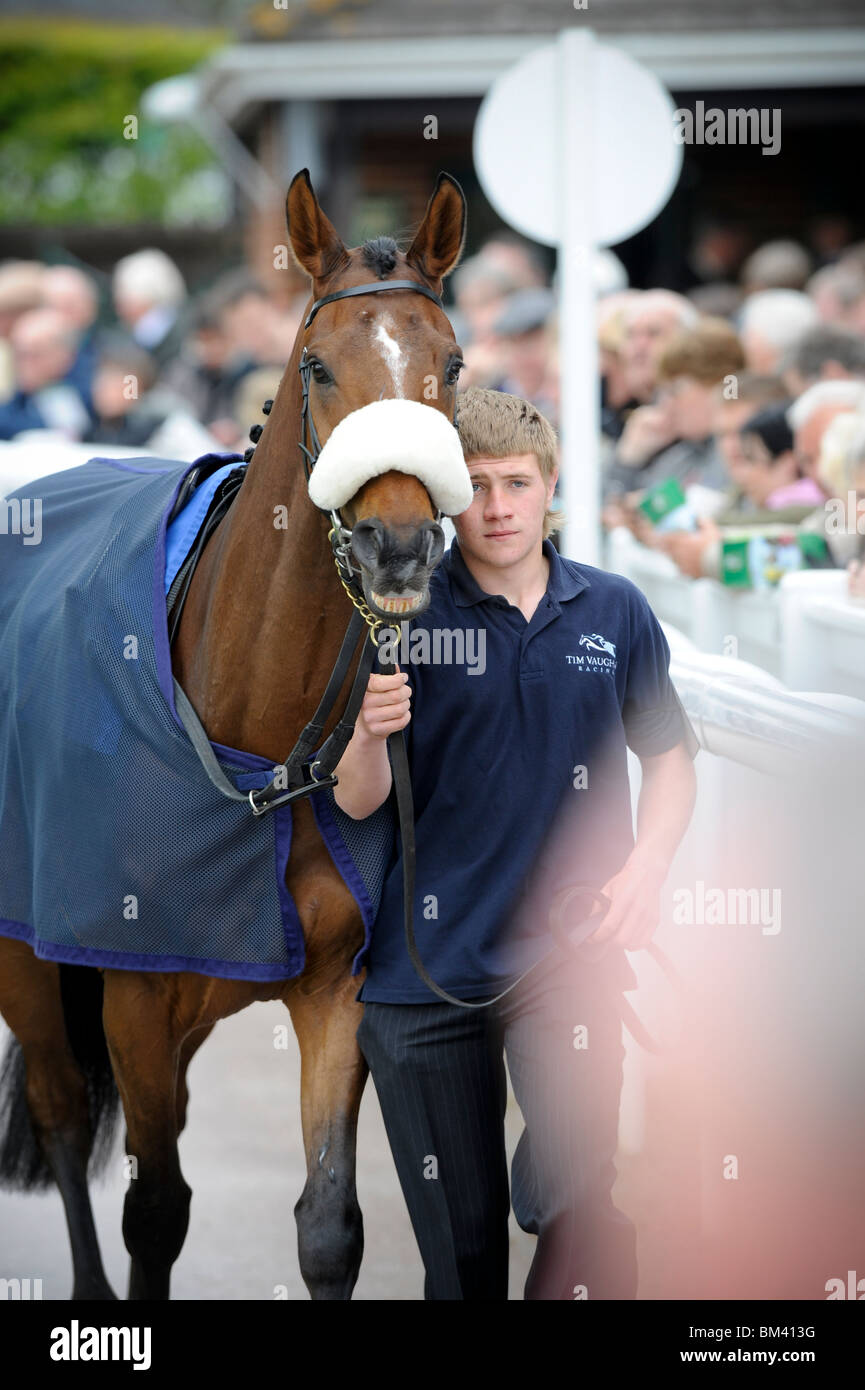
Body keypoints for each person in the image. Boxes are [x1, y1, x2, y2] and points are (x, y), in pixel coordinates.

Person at [333, 387, 699, 1300]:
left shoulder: (613, 611)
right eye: (481, 487)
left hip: (568, 959)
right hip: (423, 975)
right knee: (461, 1263)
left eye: (518, 484)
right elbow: (352, 803)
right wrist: (369, 735)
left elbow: (671, 763)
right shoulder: (400, 616)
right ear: (454, 500)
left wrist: (647, 866)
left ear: (550, 487)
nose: (499, 507)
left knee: (581, 1207)